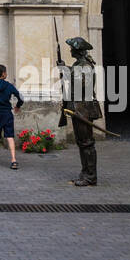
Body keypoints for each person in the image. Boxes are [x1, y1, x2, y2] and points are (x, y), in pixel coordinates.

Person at [58, 37, 102, 187]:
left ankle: (90, 176)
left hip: (84, 108)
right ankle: (85, 172)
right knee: (82, 142)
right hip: (78, 107)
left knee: (87, 143)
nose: (70, 50)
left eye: (72, 48)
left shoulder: (85, 66)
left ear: (78, 51)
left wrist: (65, 71)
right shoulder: (79, 65)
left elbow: (82, 84)